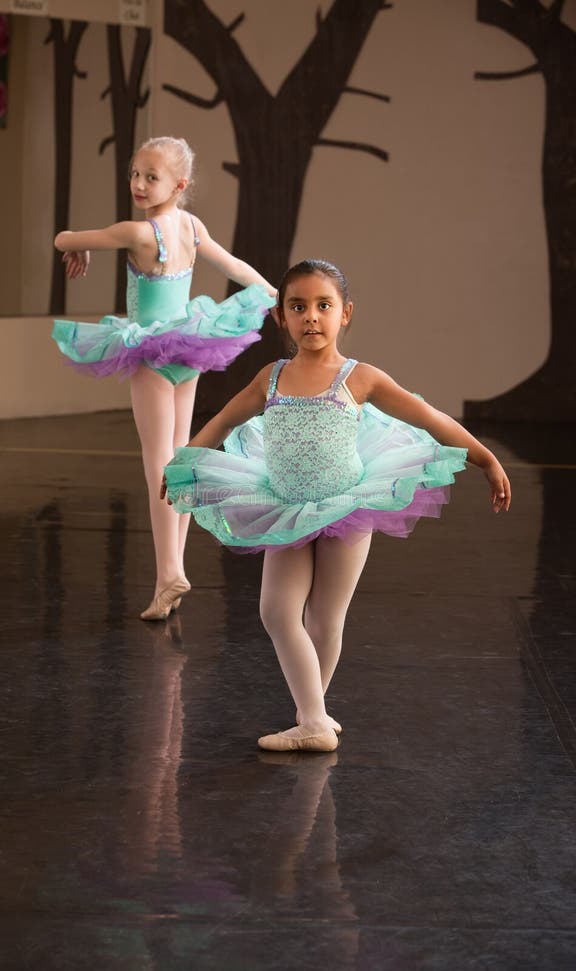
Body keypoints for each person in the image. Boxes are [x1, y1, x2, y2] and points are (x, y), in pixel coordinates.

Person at [162, 259, 511, 752]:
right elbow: (222, 420)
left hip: (346, 505)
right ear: (281, 317)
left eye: (323, 306)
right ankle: (316, 717)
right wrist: (185, 463)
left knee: (325, 619)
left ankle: (312, 719)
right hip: (284, 505)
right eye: (297, 307)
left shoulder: (359, 377)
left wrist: (485, 457)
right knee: (278, 612)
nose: (311, 317)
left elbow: (430, 417)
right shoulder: (272, 377)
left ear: (345, 313)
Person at [52, 135, 276, 620]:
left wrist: (82, 249)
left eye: (150, 177)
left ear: (179, 183)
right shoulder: (191, 227)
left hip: (152, 353)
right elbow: (233, 266)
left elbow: (63, 239)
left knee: (158, 460)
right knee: (182, 455)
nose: (138, 183)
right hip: (190, 347)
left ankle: (171, 569)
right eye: (135, 173)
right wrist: (271, 292)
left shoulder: (136, 233)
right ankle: (167, 576)